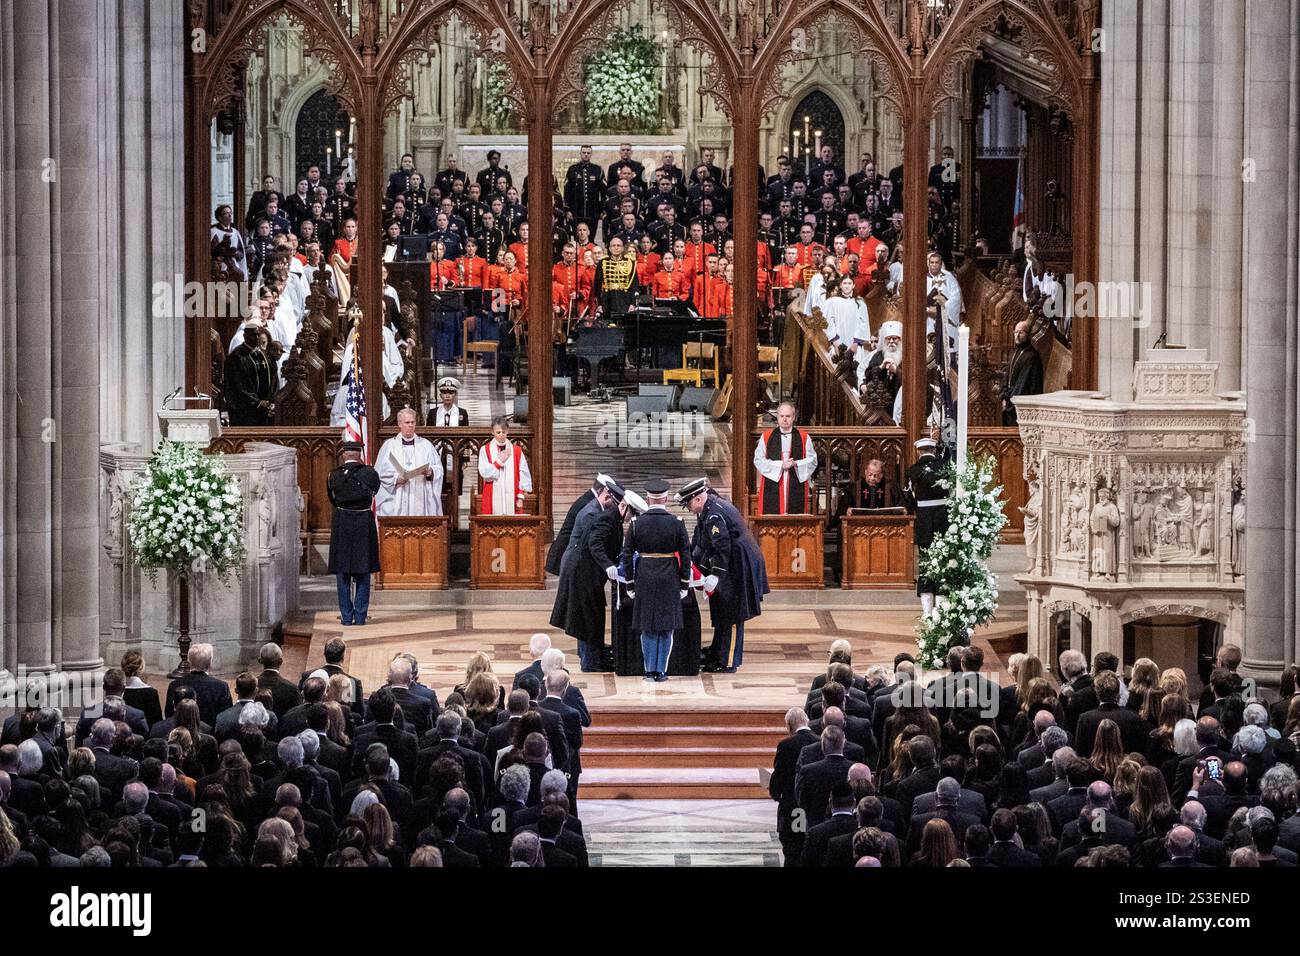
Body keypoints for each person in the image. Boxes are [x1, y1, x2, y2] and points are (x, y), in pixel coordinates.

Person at [679, 478, 768, 673]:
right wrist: (691, 562)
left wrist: (715, 576)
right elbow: (700, 541)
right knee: (722, 609)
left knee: (733, 613)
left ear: (698, 499)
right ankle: (717, 651)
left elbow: (722, 547)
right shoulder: (708, 509)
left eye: (688, 504)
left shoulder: (714, 514)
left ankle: (728, 660)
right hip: (731, 563)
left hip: (738, 566)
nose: (688, 509)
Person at [550, 474, 626, 672]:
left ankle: (591, 656)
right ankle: (590, 661)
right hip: (580, 570)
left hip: (583, 568)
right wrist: (609, 565)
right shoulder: (593, 514)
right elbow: (595, 545)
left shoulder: (596, 510)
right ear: (607, 498)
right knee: (586, 616)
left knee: (586, 614)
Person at [620, 478, 692, 682]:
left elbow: (627, 556)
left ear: (647, 499)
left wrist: (630, 582)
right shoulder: (676, 523)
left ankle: (649, 670)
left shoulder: (636, 524)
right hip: (669, 577)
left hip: (645, 577)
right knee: (666, 628)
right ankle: (661, 671)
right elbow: (685, 556)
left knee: (648, 627)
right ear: (666, 499)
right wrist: (685, 582)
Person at [327, 441, 381, 626]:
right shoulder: (370, 473)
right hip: (363, 523)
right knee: (363, 571)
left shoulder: (333, 476)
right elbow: (375, 491)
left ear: (344, 455)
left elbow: (332, 499)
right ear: (359, 455)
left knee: (343, 573)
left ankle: (346, 616)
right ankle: (360, 616)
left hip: (342, 522)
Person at [904, 436, 950, 617]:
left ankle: (927, 610)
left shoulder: (912, 471)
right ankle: (941, 607)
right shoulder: (944, 467)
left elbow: (909, 496)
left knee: (926, 561)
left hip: (923, 519)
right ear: (934, 450)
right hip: (943, 519)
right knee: (944, 561)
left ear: (918, 451)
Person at [375, 407, 443, 517]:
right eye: (407, 422)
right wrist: (396, 479)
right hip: (397, 496)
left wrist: (431, 472)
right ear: (399, 424)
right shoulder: (389, 446)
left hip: (420, 496)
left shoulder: (426, 445)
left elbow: (439, 469)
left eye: (413, 422)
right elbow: (379, 473)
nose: (410, 425)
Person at [753, 401, 818, 515]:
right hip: (774, 480)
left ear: (793, 417)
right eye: (781, 416)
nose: (784, 419)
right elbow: (758, 460)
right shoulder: (767, 436)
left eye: (788, 416)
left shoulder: (803, 437)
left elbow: (812, 460)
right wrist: (780, 465)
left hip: (796, 480)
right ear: (777, 417)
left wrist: (795, 464)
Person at [477, 416, 533, 515]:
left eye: (503, 432)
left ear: (507, 431)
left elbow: (523, 474)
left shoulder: (516, 451)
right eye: (498, 432)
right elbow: (485, 474)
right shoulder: (485, 450)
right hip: (491, 495)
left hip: (513, 496)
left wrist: (520, 497)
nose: (501, 435)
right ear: (492, 432)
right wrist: (499, 462)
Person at [223, 322, 276, 426]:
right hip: (245, 412)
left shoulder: (264, 354)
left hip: (265, 410)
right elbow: (238, 386)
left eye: (257, 334)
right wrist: (257, 402)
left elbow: (273, 378)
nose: (256, 337)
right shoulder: (236, 357)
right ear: (245, 336)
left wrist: (270, 401)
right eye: (253, 335)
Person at [1002, 320, 1044, 426]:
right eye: (1016, 332)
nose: (1017, 335)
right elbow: (1007, 375)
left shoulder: (1032, 356)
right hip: (1011, 398)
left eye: (1021, 332)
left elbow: (1023, 383)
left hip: (1021, 403)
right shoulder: (1015, 352)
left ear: (1028, 335)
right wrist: (1004, 394)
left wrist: (1010, 400)